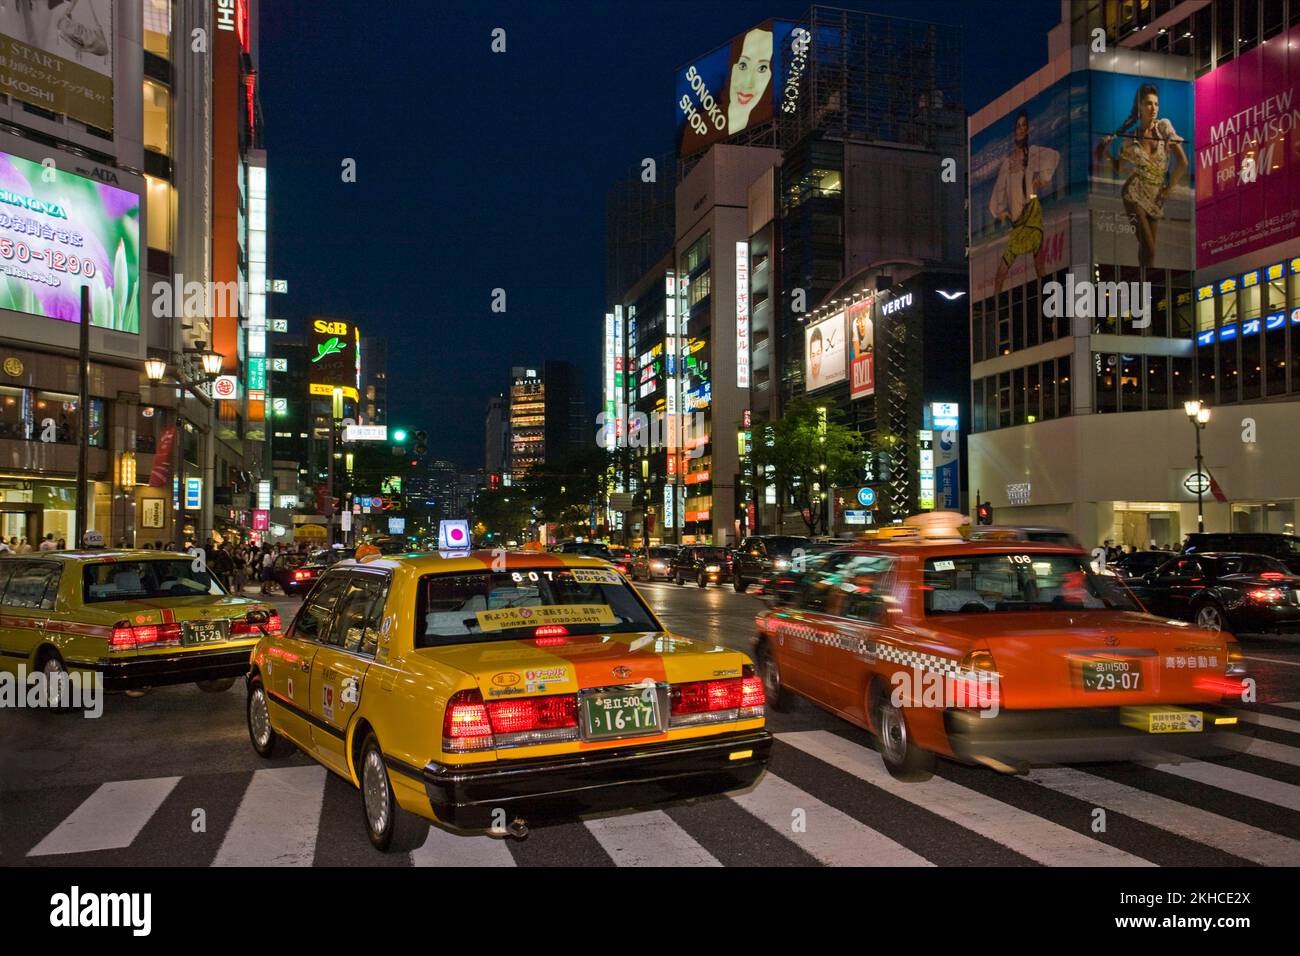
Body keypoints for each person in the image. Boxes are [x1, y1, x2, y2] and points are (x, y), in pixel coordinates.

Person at [1095, 83, 1187, 270]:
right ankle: (1143, 290)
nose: (1153, 108)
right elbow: (1118, 167)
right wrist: (1104, 152)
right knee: (1149, 249)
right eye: (1148, 104)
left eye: (1156, 104)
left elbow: (1183, 163)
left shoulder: (1163, 128)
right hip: (1133, 196)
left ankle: (1143, 293)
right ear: (1139, 107)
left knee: (1148, 255)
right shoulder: (1130, 139)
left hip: (1156, 199)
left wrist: (1167, 190)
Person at [989, 109, 1060, 296]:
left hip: (1032, 213)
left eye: (1023, 126)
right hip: (1018, 222)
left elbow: (1053, 156)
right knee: (1001, 273)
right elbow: (998, 192)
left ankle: (1050, 313)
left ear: (1027, 130)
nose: (1020, 129)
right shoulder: (1007, 162)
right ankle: (998, 313)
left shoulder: (1034, 153)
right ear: (1015, 131)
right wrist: (1000, 212)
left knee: (1038, 264)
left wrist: (1041, 180)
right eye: (1017, 126)